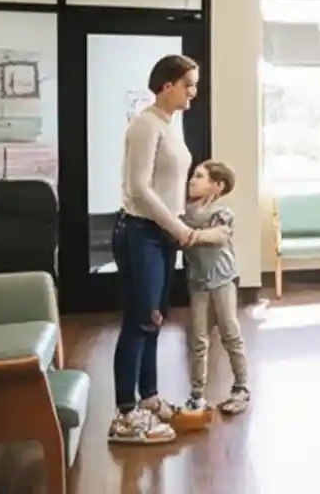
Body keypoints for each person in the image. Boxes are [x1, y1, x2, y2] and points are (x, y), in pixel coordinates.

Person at [108, 54, 199, 445]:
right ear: (168, 86)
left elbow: (168, 184)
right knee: (139, 321)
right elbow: (140, 189)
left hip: (160, 234)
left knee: (155, 319)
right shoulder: (146, 125)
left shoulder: (169, 125)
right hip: (141, 232)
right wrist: (179, 227)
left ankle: (148, 399)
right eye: (188, 85)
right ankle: (124, 416)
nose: (193, 92)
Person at [181, 160, 251, 415]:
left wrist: (188, 235)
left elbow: (220, 236)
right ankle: (197, 394)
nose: (192, 180)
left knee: (230, 333)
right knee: (198, 339)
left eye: (199, 176)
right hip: (198, 284)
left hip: (222, 281)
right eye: (193, 176)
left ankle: (241, 387)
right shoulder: (185, 213)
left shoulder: (222, 213)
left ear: (217, 186)